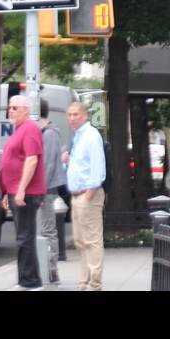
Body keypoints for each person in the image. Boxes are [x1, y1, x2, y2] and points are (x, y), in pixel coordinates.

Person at [0, 94, 46, 290]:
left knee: (25, 237)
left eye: (15, 108)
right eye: (9, 107)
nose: (11, 110)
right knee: (23, 237)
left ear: (26, 110)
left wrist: (20, 190)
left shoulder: (30, 129)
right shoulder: (18, 130)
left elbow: (31, 159)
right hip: (16, 191)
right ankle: (26, 280)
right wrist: (6, 192)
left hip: (26, 192)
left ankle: (31, 282)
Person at [65, 101, 106, 291]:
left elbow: (97, 166)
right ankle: (85, 281)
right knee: (80, 242)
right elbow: (81, 166)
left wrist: (90, 192)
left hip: (87, 195)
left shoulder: (91, 136)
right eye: (70, 114)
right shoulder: (78, 137)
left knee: (91, 241)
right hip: (77, 195)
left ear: (85, 115)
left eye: (76, 114)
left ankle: (94, 284)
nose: (72, 118)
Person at [36, 99, 66, 286]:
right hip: (43, 189)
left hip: (45, 190)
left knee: (47, 230)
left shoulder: (49, 134)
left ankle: (51, 270)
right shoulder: (46, 133)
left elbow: (47, 165)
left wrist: (39, 190)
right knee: (45, 230)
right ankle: (47, 268)